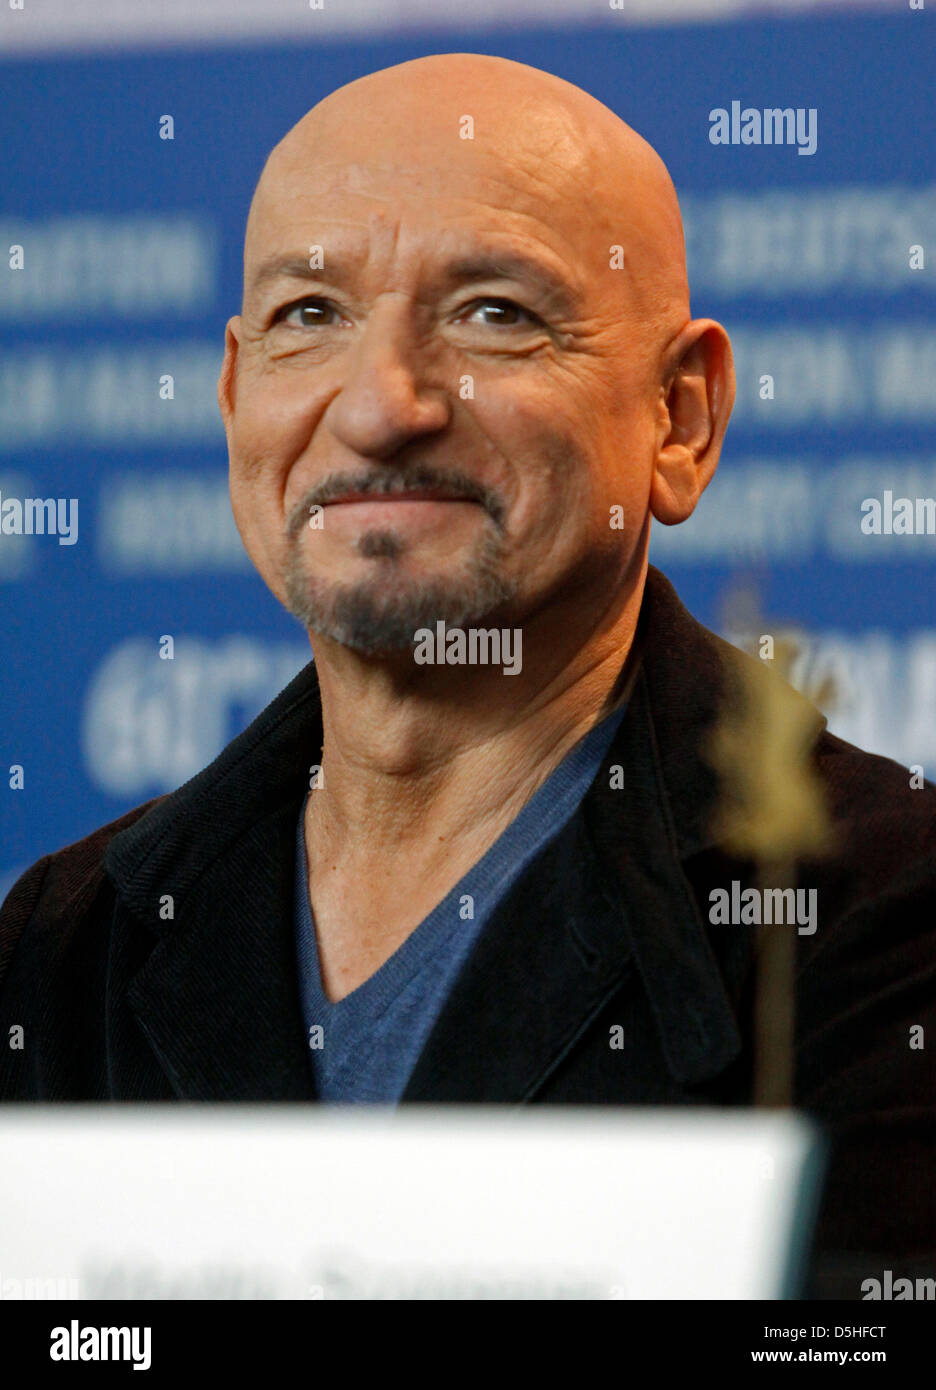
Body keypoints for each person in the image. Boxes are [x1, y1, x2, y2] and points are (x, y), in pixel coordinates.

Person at [1, 54, 934, 1296]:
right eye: (309, 317)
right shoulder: (68, 945)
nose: (382, 407)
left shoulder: (886, 922)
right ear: (234, 402)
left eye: (494, 311)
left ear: (680, 418)